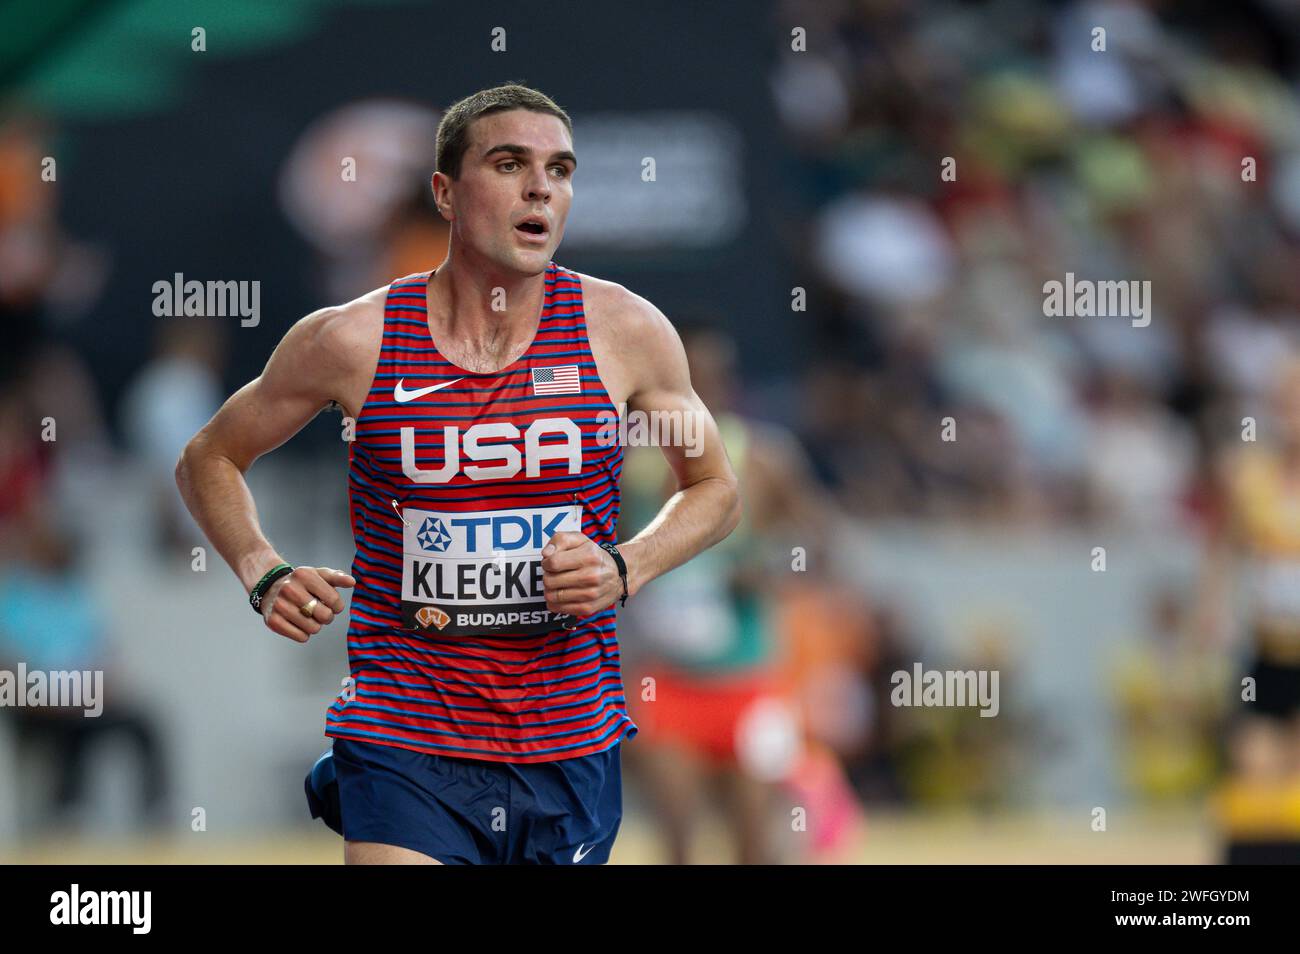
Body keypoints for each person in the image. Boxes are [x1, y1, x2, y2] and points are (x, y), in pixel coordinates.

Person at [175, 83, 741, 865]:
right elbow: (210, 454)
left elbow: (713, 487)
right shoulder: (351, 341)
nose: (541, 186)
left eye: (560, 169)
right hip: (404, 732)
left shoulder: (627, 333)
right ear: (444, 192)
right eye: (510, 164)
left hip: (567, 737)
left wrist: (625, 565)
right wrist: (261, 569)